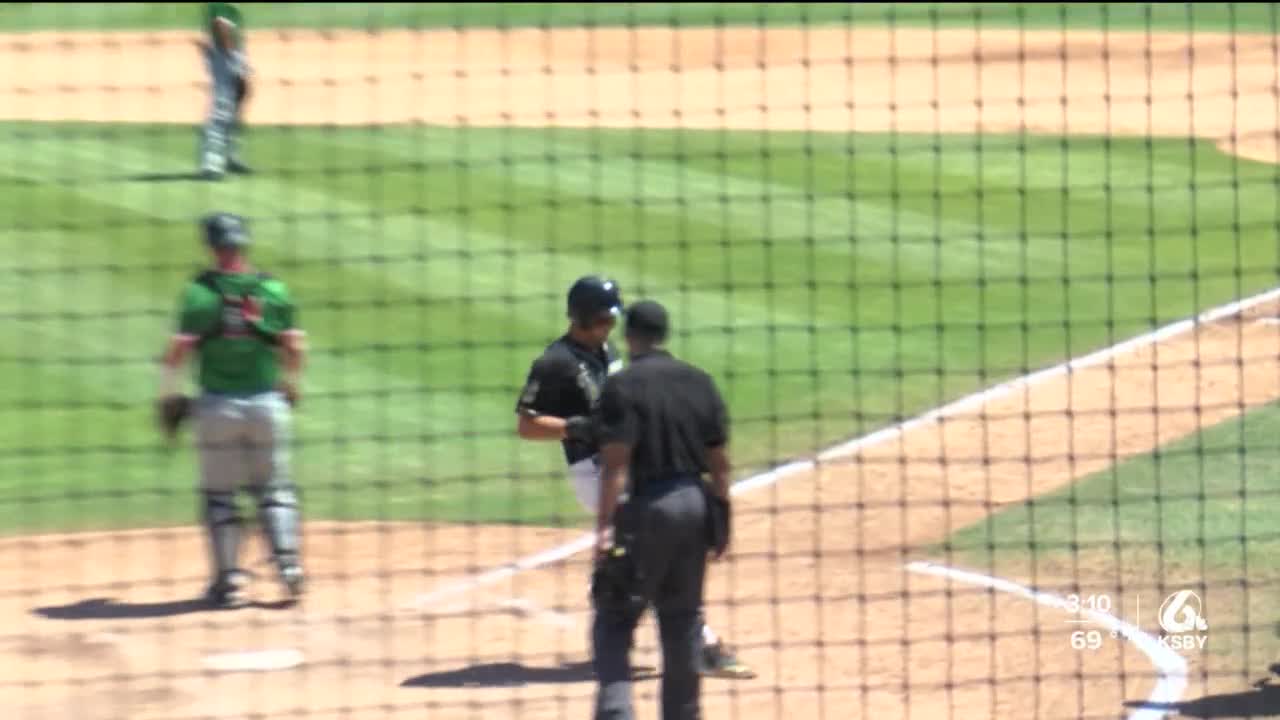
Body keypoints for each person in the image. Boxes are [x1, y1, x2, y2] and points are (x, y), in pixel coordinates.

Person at [513, 276, 751, 679]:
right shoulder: (555, 362)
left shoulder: (607, 350)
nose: (611, 325)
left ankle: (627, 620)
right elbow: (527, 425)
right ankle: (702, 644)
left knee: (652, 551)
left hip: (631, 467)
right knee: (658, 547)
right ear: (585, 316)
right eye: (605, 317)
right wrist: (575, 427)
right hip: (594, 472)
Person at [589, 299, 735, 720]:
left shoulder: (623, 385)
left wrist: (604, 529)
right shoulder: (699, 381)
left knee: (615, 619)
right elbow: (720, 463)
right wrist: (722, 519)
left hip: (649, 508)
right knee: (683, 621)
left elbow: (615, 462)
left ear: (629, 336)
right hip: (696, 505)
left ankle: (617, 714)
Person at [156, 212, 304, 608]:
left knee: (220, 497)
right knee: (275, 491)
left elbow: (177, 353)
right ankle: (289, 569)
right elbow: (294, 347)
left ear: (210, 246)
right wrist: (290, 384)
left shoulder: (199, 293)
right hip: (268, 408)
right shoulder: (273, 288)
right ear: (244, 244)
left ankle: (230, 582)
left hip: (216, 410)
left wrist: (168, 395)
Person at [197, 3, 253, 179]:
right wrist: (235, 62)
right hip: (225, 56)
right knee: (222, 109)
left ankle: (230, 157)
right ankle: (211, 164)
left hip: (229, 53)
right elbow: (220, 26)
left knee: (236, 105)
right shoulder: (221, 5)